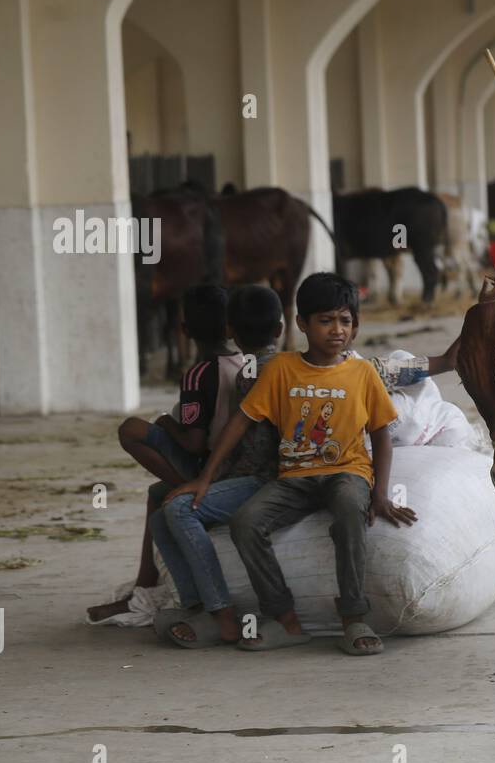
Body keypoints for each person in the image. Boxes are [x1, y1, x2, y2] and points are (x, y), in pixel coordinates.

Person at [168, 273, 416, 655]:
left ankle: (353, 616)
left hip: (346, 472)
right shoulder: (281, 369)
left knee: (351, 512)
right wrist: (206, 478)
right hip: (293, 478)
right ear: (301, 323)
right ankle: (284, 619)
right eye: (325, 320)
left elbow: (381, 434)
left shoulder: (362, 372)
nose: (337, 330)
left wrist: (379, 493)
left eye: (346, 321)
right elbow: (240, 422)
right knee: (246, 522)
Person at [87, 285, 242, 623]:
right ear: (231, 326)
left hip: (208, 466)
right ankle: (145, 583)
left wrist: (165, 423)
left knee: (130, 428)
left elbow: (193, 444)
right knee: (156, 494)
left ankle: (190, 487)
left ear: (183, 331)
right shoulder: (242, 363)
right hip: (233, 464)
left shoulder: (199, 374)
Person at [150, 285, 284, 647]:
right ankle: (197, 605)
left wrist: (206, 482)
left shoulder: (254, 375)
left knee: (179, 508)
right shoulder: (273, 367)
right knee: (161, 513)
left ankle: (222, 615)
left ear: (231, 331)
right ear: (281, 328)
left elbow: (254, 452)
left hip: (269, 480)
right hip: (261, 473)